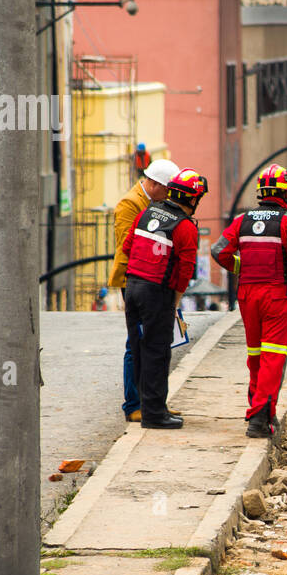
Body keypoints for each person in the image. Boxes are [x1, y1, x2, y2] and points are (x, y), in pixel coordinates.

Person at [212, 164, 287, 438]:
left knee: (255, 356)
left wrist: (239, 267)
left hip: (247, 295)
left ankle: (259, 409)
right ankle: (259, 419)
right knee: (273, 357)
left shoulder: (242, 221)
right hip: (276, 297)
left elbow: (219, 250)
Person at [120, 168, 207, 429]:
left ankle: (145, 407)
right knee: (157, 353)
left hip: (133, 288)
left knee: (138, 350)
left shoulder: (146, 213)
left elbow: (127, 247)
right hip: (156, 293)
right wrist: (175, 301)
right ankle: (155, 414)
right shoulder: (185, 227)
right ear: (193, 199)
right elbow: (185, 271)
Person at [109, 157, 180, 422]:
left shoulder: (155, 204)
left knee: (154, 344)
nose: (170, 196)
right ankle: (134, 404)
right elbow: (130, 245)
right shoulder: (131, 204)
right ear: (154, 184)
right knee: (136, 344)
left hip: (153, 280)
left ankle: (153, 402)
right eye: (167, 190)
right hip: (135, 281)